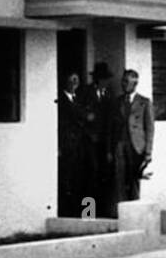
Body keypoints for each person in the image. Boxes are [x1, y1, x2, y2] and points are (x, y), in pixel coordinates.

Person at [77, 62, 117, 216]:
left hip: (104, 143)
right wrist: (87, 120)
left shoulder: (109, 94)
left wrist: (109, 147)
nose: (105, 82)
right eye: (102, 79)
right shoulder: (85, 92)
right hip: (88, 142)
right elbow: (78, 113)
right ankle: (88, 212)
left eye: (106, 79)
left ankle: (102, 212)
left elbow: (110, 121)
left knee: (103, 175)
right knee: (90, 175)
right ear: (97, 79)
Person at [110, 68, 154, 204]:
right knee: (119, 180)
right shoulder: (117, 101)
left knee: (134, 180)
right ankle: (122, 210)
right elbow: (111, 128)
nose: (123, 84)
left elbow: (150, 129)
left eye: (126, 82)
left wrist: (148, 152)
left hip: (136, 147)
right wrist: (109, 149)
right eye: (122, 81)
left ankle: (134, 210)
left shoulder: (144, 102)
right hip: (119, 146)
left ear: (135, 84)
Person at [56, 71, 85, 217]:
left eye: (76, 80)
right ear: (65, 81)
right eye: (71, 79)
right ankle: (66, 213)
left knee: (78, 178)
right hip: (66, 145)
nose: (74, 83)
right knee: (66, 178)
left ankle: (82, 213)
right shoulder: (60, 100)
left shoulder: (79, 99)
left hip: (79, 145)